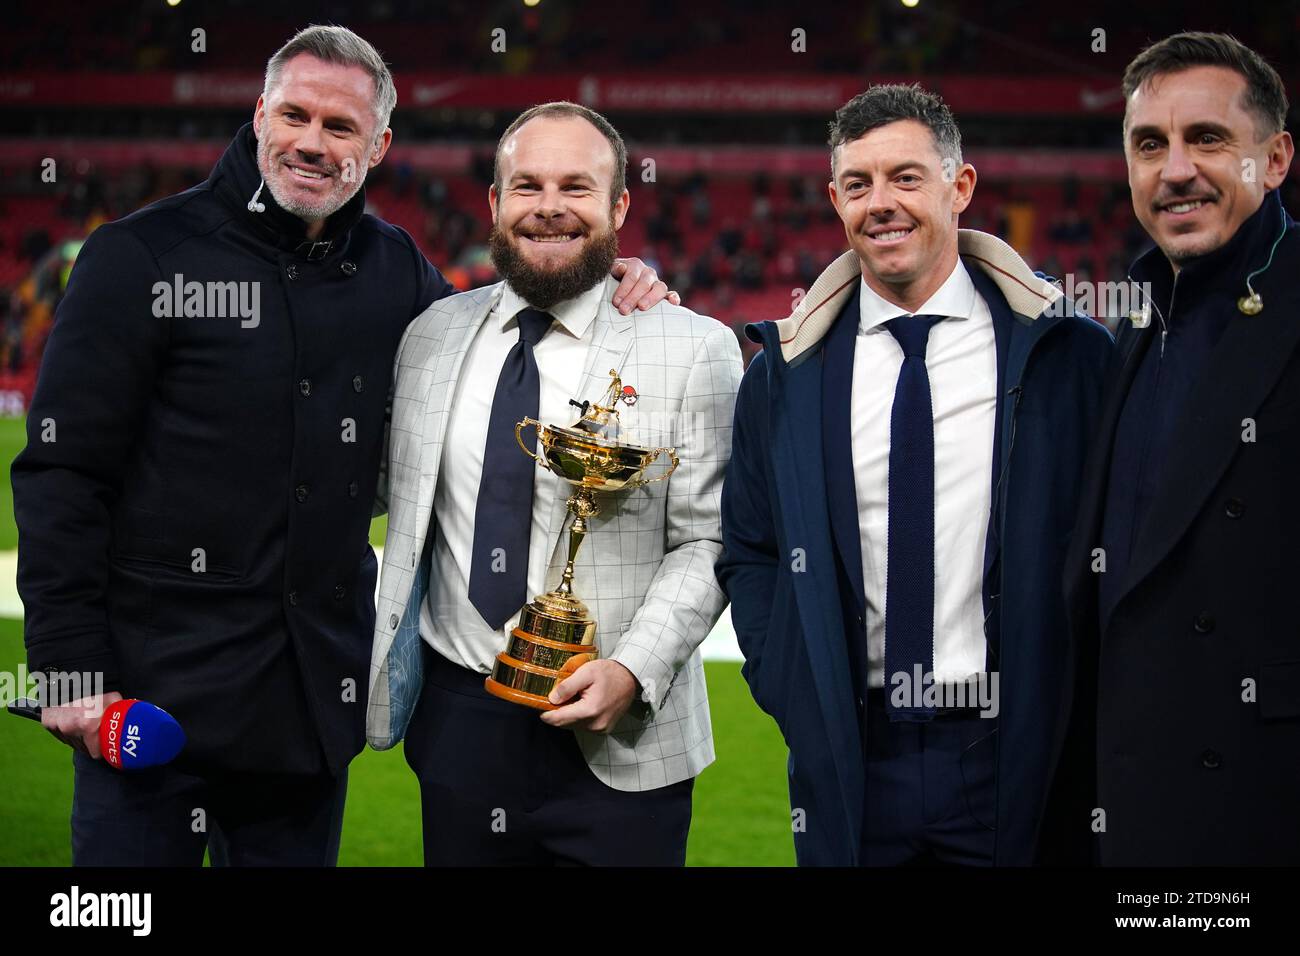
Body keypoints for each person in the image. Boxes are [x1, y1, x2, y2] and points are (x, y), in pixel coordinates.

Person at [12, 25, 669, 867]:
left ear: (379, 144)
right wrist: (67, 667)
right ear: (259, 116)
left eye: (341, 127)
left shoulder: (396, 270)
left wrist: (603, 272)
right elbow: (63, 472)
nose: (312, 144)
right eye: (296, 116)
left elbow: (503, 320)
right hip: (149, 704)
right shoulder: (138, 258)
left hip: (306, 716)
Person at [716, 84, 1112, 866]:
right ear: (835, 200)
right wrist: (795, 689)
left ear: (959, 187)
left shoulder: (1071, 356)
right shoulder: (785, 375)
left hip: (1016, 751)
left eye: (906, 177)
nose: (881, 204)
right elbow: (750, 550)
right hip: (854, 754)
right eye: (858, 185)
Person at [366, 101, 742, 866]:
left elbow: (711, 538)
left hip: (620, 738)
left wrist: (632, 671)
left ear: (619, 207)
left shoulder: (695, 349)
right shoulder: (429, 335)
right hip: (459, 723)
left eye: (577, 187)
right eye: (527, 186)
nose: (549, 209)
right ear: (496, 203)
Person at [1053, 32, 1299, 865]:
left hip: (1256, 805)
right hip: (1125, 795)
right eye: (1149, 144)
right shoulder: (1132, 324)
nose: (1176, 169)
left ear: (1274, 158)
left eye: (1208, 139)